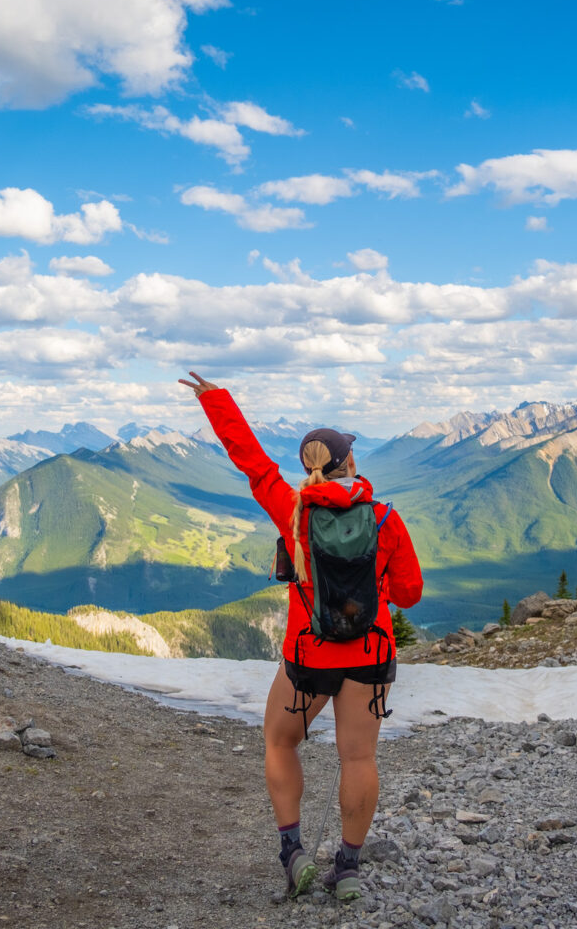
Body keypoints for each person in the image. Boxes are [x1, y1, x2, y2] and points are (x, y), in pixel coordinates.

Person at [180, 371, 423, 902]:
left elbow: (251, 461)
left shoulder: (291, 511)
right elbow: (409, 595)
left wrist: (214, 400)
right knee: (358, 759)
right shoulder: (386, 519)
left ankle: (292, 853)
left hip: (308, 657)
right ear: (350, 464)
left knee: (278, 740)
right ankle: (349, 868)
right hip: (369, 658)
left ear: (308, 469)